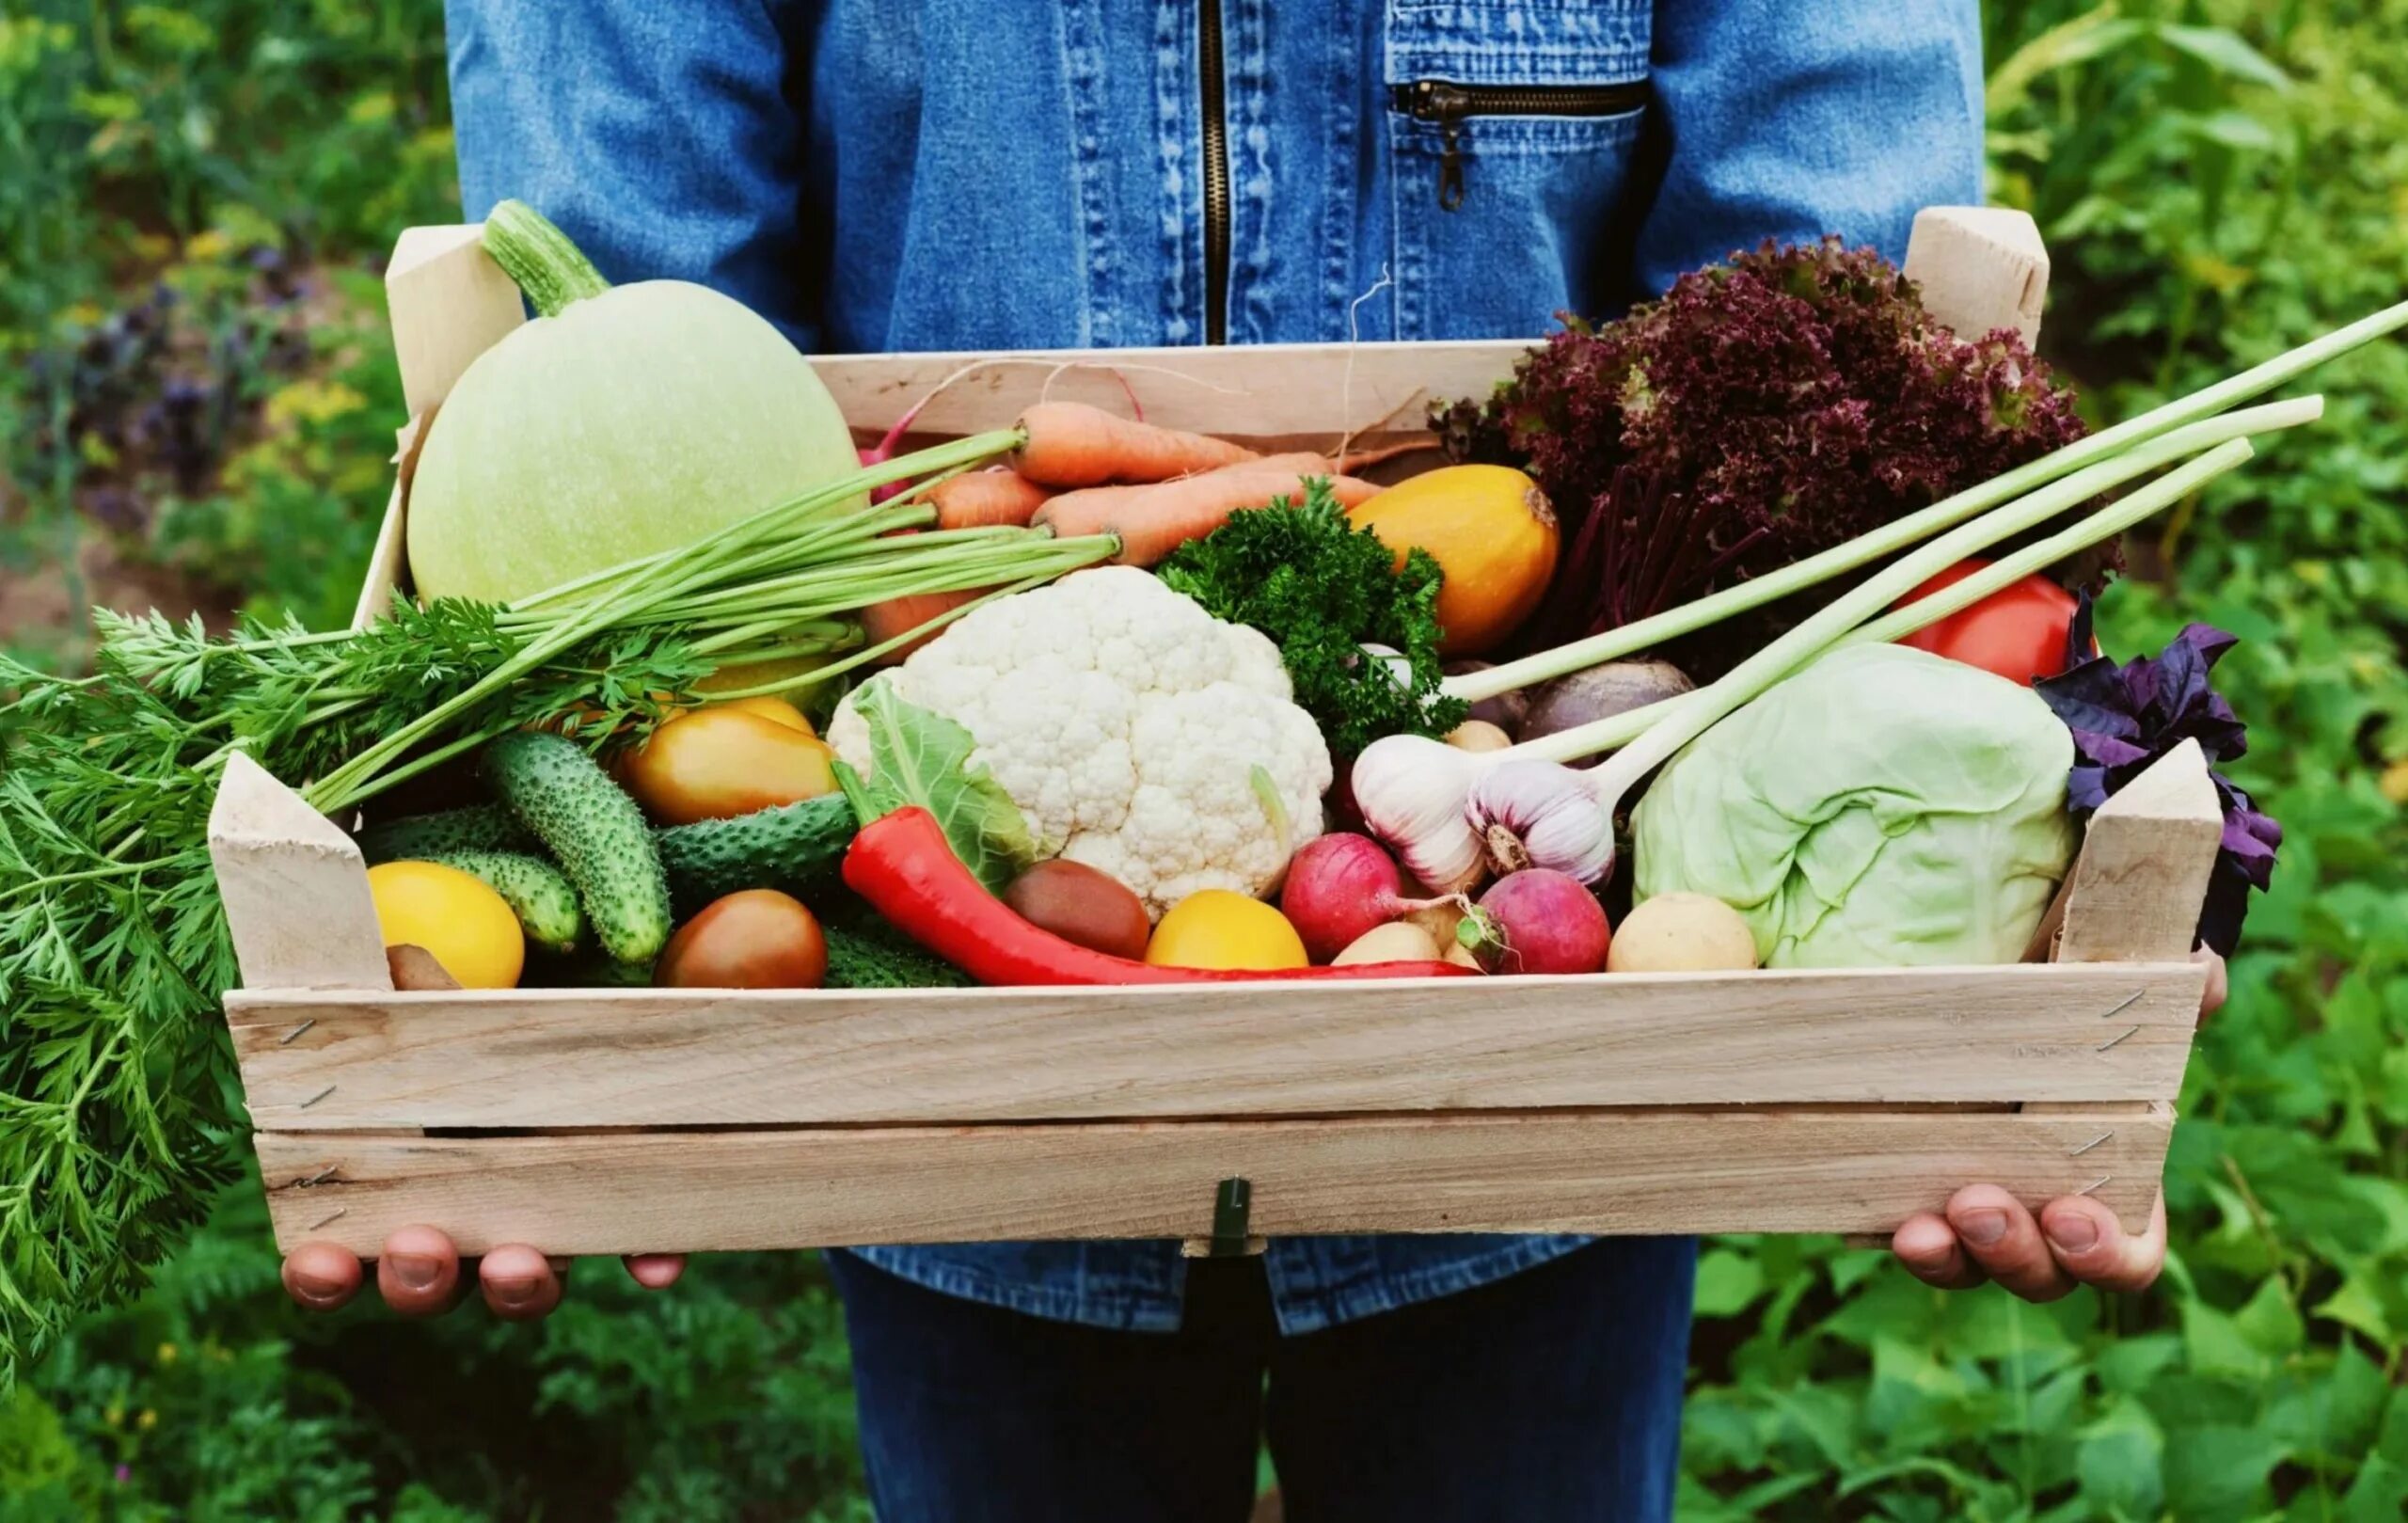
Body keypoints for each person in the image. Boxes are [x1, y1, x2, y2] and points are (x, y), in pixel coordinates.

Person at [283, 4, 2227, 1516]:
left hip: (1555, 1067)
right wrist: (563, 1068)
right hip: (940, 1084)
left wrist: (1940, 1052)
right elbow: (628, 335)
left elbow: (1824, 298)